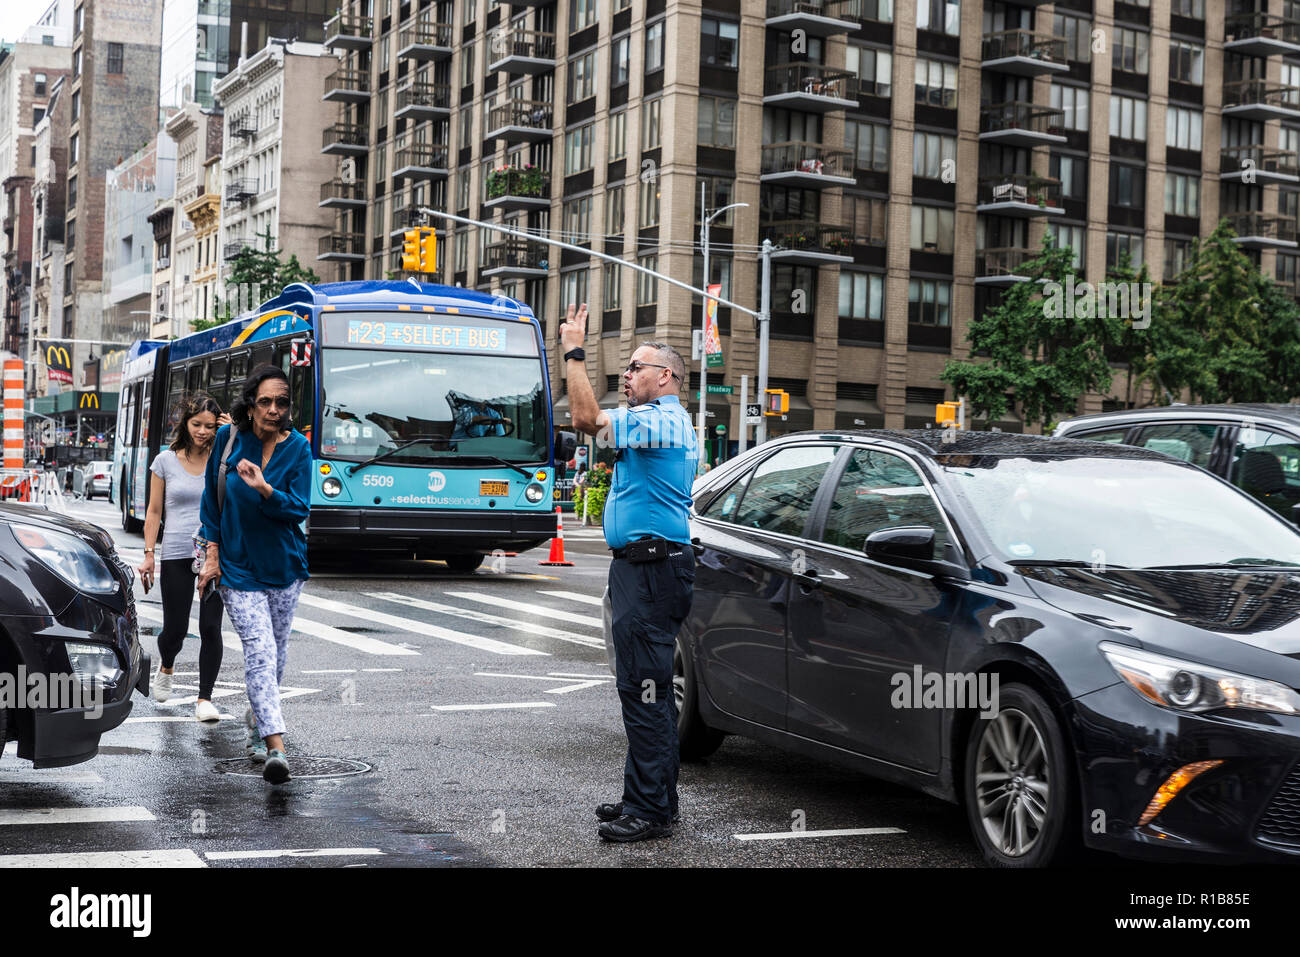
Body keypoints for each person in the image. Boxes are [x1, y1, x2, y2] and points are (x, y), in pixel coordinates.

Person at [559, 302, 699, 843]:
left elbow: (585, 420)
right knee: (650, 691)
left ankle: (649, 811)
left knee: (644, 689)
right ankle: (652, 798)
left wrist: (575, 350)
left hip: (651, 571)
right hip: (647, 569)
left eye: (637, 367)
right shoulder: (656, 424)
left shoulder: (661, 419)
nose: (628, 374)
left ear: (667, 377)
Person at [196, 365, 311, 785]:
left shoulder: (298, 449)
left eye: (281, 402)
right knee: (259, 652)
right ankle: (275, 749)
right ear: (250, 404)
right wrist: (212, 555)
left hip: (284, 567)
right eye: (265, 401)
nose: (274, 409)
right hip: (238, 567)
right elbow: (211, 502)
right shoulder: (229, 441)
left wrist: (265, 488)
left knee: (275, 658)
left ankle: (257, 718)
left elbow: (298, 508)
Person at [140, 394, 228, 722]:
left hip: (215, 552)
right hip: (176, 551)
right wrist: (149, 554)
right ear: (185, 424)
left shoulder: (224, 459)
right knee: (175, 630)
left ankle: (204, 698)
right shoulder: (165, 460)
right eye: (196, 425)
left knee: (210, 627)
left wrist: (232, 431)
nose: (203, 432)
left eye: (209, 425)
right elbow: (154, 511)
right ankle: (166, 665)